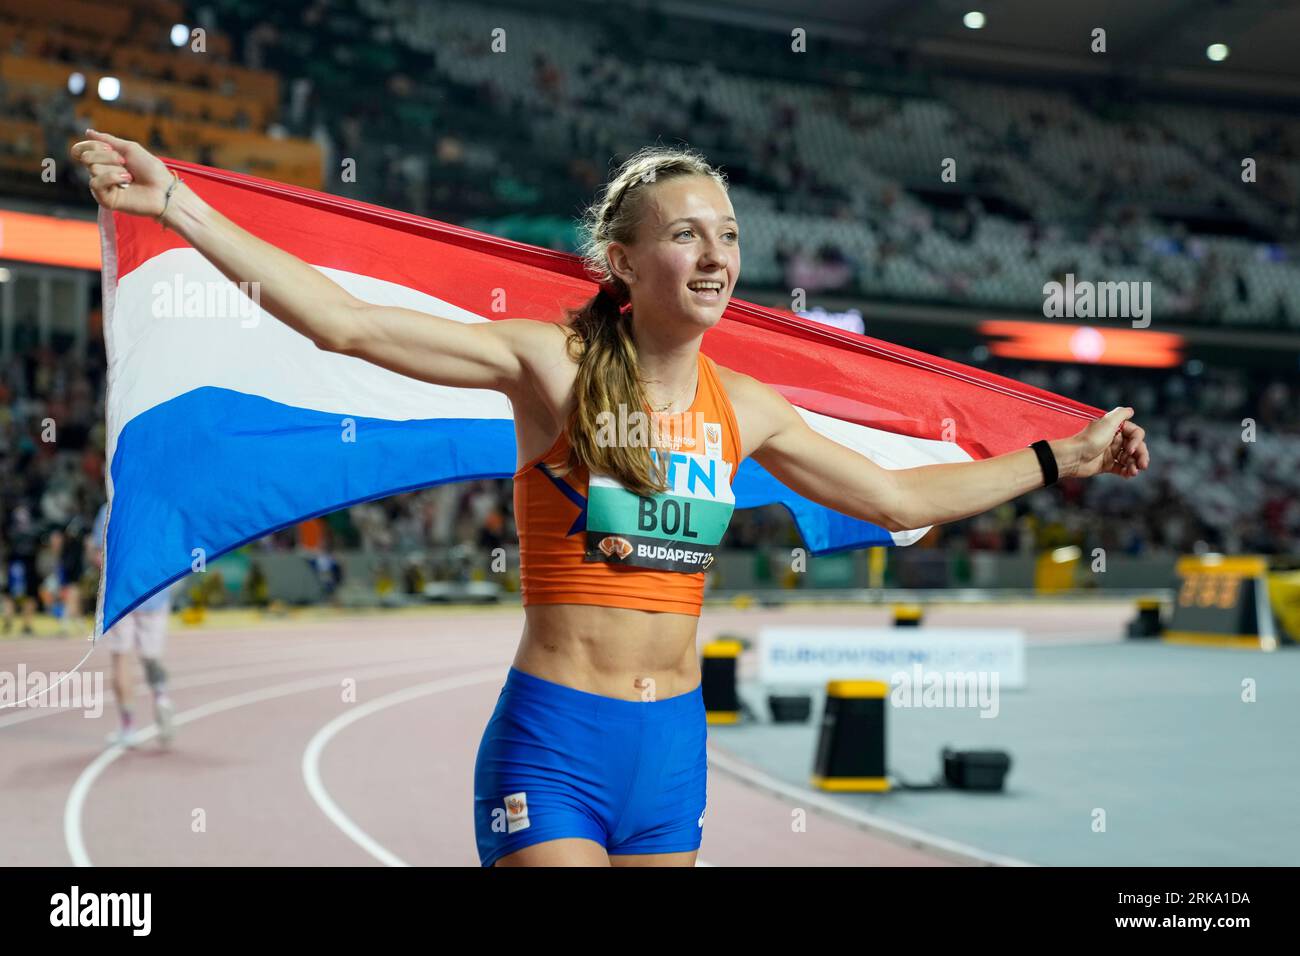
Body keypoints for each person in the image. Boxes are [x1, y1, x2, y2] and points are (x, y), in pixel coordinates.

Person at [71, 131, 1150, 865]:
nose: (716, 255)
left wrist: (1064, 458)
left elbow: (895, 496)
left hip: (670, 748)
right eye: (687, 234)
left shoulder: (749, 408)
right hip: (556, 742)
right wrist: (180, 207)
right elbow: (347, 326)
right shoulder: (551, 365)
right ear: (623, 261)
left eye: (728, 234)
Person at [90, 502, 176, 749]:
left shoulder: (110, 506)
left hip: (121, 595)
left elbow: (98, 554)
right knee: (151, 656)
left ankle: (128, 727)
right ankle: (161, 696)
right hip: (155, 590)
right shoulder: (161, 507)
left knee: (121, 657)